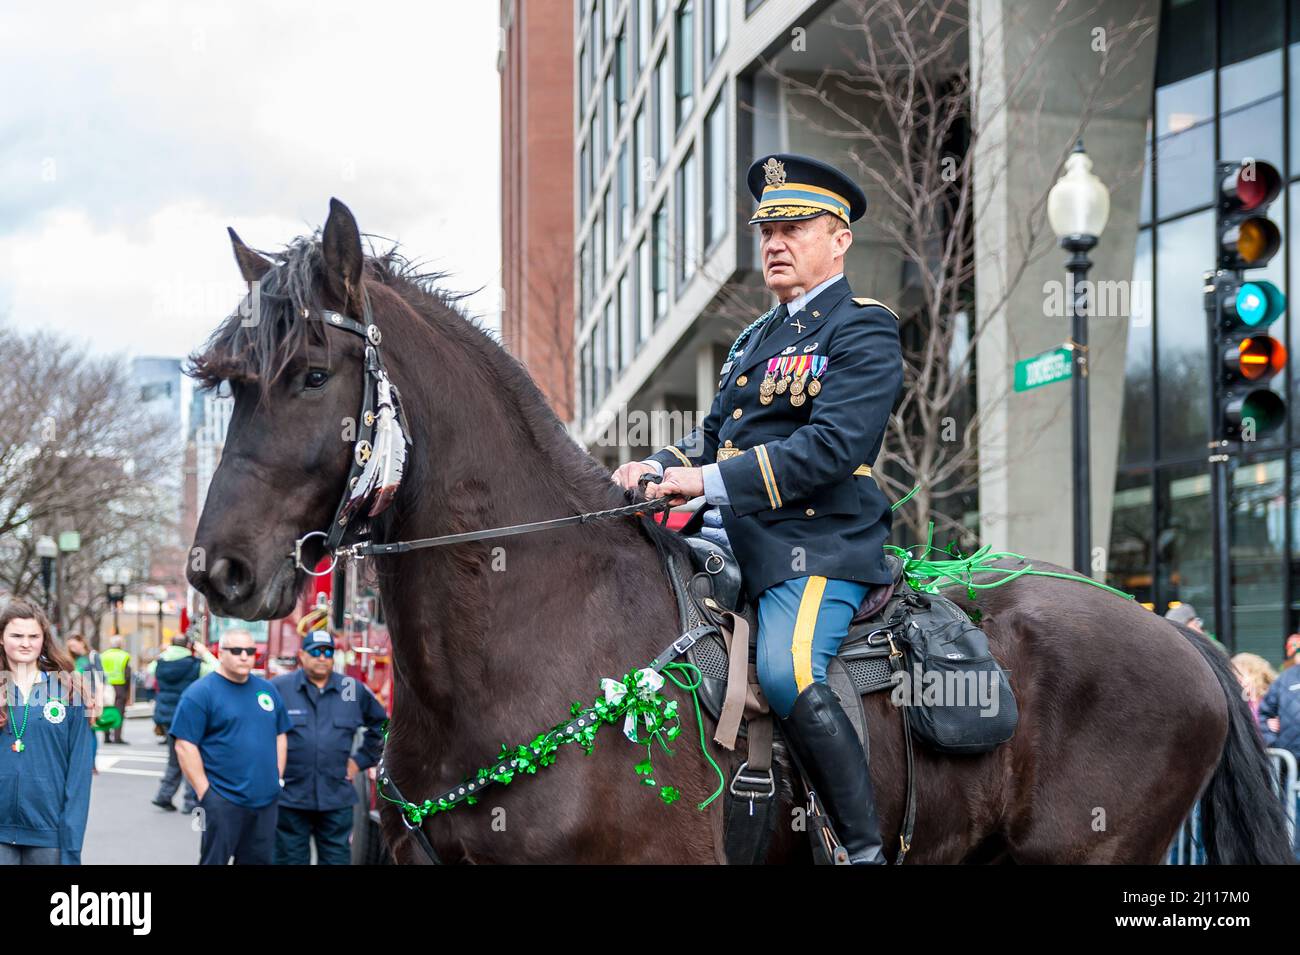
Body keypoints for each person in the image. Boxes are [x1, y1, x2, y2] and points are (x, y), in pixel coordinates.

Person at [614, 154, 903, 864]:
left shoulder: (863, 328)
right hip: (731, 543)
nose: (774, 242)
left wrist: (706, 482)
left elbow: (831, 448)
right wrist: (657, 466)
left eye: (794, 226)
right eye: (767, 229)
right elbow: (711, 435)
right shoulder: (755, 339)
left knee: (787, 668)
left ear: (839, 239)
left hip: (820, 547)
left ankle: (864, 848)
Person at [171, 628, 291, 865]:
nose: (244, 656)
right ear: (220, 652)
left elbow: (280, 735)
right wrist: (206, 792)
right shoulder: (200, 693)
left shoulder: (267, 690)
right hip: (223, 799)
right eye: (236, 651)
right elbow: (184, 745)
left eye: (250, 651)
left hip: (265, 800)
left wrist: (277, 778)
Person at [270, 628, 387, 864]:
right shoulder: (280, 688)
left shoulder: (350, 690)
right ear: (302, 655)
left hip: (336, 799)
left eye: (327, 652)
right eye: (315, 652)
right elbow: (258, 732)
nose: (322, 657)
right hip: (291, 798)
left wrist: (360, 761)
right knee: (289, 861)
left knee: (335, 861)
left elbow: (383, 727)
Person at [0, 600, 94, 864]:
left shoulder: (69, 692)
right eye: (16, 635)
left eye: (34, 636)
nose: (25, 643)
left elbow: (79, 776)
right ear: (1, 638)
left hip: (49, 835)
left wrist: (71, 844)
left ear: (44, 640)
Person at [149, 631, 217, 813]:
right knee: (192, 756)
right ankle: (190, 800)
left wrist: (165, 652)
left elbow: (149, 671)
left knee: (174, 758)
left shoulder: (160, 663)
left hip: (165, 715)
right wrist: (203, 652)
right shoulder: (196, 665)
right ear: (189, 646)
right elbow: (217, 667)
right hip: (189, 715)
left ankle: (164, 795)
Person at [1258, 638, 1300, 859]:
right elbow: (1264, 715)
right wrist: (1272, 738)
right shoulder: (1286, 680)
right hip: (1290, 766)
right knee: (1293, 821)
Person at [66, 635, 104, 773]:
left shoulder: (92, 656)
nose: (72, 648)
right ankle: (79, 762)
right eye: (70, 646)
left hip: (90, 698)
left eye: (74, 645)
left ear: (82, 642)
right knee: (77, 730)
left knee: (91, 729)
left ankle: (91, 763)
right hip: (74, 698)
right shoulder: (72, 659)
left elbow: (100, 679)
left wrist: (98, 701)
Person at [99, 635, 132, 744]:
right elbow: (127, 674)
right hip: (119, 686)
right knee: (119, 712)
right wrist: (128, 693)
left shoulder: (103, 655)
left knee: (106, 710)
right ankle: (117, 737)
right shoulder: (125, 656)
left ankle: (106, 736)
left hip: (106, 686)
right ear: (121, 644)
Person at [1231, 652, 1277, 724]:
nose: (1237, 682)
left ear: (1256, 675)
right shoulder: (1236, 701)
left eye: (1241, 677)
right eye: (1234, 677)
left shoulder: (1271, 697)